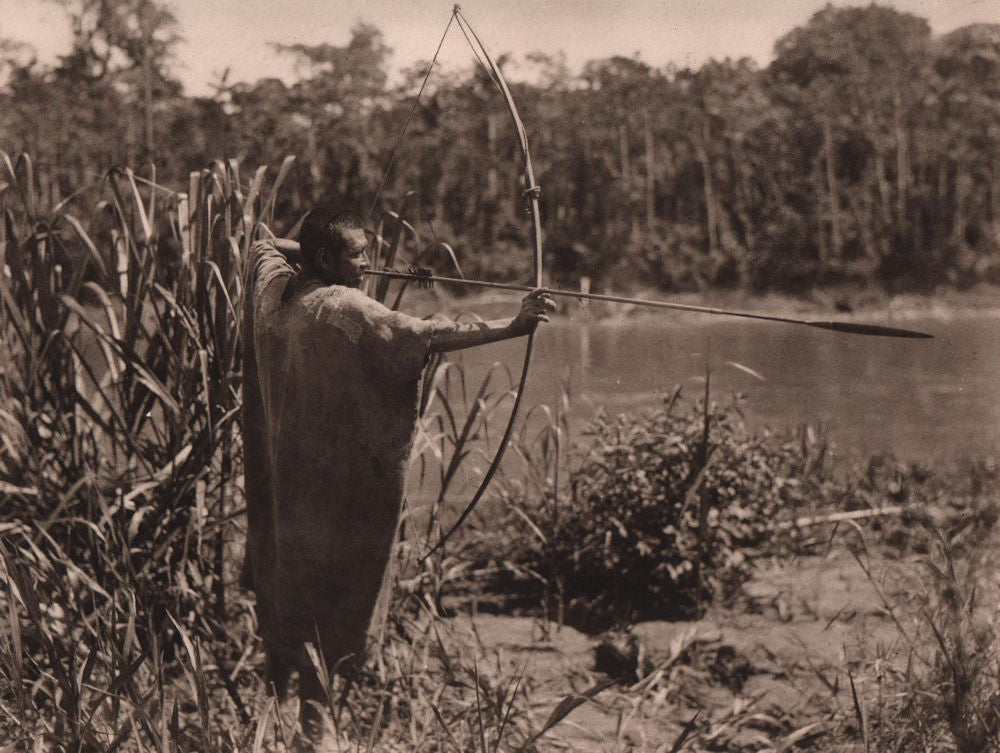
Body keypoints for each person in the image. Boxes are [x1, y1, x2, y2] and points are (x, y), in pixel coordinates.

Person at [240, 204, 554, 731]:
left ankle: (273, 722)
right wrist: (516, 325)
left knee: (291, 596)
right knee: (328, 604)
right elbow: (426, 335)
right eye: (359, 255)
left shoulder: (275, 293)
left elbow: (260, 242)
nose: (369, 262)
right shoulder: (344, 306)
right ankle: (315, 734)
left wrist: (317, 261)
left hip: (288, 500)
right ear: (326, 258)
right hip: (331, 500)